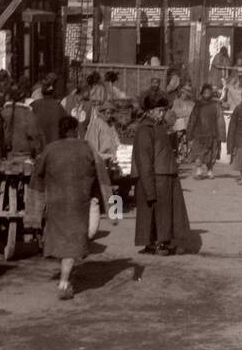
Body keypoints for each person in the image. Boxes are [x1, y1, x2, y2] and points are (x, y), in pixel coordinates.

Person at [32, 116, 99, 300]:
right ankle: (64, 283)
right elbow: (100, 173)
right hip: (78, 203)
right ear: (76, 130)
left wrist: (37, 203)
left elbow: (38, 172)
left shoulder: (50, 149)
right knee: (72, 242)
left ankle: (64, 277)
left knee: (63, 240)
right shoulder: (87, 148)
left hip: (57, 202)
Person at [133, 93, 190, 255]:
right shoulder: (145, 130)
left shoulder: (159, 127)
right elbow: (144, 161)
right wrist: (149, 188)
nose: (162, 114)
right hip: (156, 177)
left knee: (164, 210)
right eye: (159, 110)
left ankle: (160, 241)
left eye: (163, 110)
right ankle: (158, 243)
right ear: (150, 111)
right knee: (159, 210)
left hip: (165, 174)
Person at [82, 102, 121, 238]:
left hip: (111, 161)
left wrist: (117, 154)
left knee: (113, 187)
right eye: (107, 112)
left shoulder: (111, 126)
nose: (109, 115)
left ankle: (115, 214)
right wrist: (103, 156)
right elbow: (92, 146)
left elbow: (116, 142)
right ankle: (93, 225)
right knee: (98, 192)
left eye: (111, 113)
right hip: (100, 161)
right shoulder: (96, 124)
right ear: (102, 112)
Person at [186, 83, 223, 179]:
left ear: (211, 93)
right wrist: (189, 133)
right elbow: (192, 119)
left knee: (211, 154)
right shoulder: (198, 105)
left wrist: (221, 134)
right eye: (205, 92)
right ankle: (199, 170)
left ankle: (210, 170)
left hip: (212, 133)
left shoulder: (216, 105)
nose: (207, 94)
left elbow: (220, 120)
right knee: (198, 153)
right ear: (202, 93)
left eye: (209, 92)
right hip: (199, 133)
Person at [31, 80, 65, 149]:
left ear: (42, 93)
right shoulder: (58, 106)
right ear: (53, 93)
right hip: (55, 146)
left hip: (39, 146)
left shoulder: (34, 105)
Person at [170, 85, 196, 163]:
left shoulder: (192, 103)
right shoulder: (176, 101)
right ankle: (178, 156)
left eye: (186, 93)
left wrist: (186, 114)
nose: (184, 95)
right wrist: (187, 114)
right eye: (183, 93)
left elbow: (194, 113)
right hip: (179, 126)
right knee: (179, 140)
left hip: (189, 125)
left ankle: (187, 156)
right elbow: (176, 112)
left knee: (189, 141)